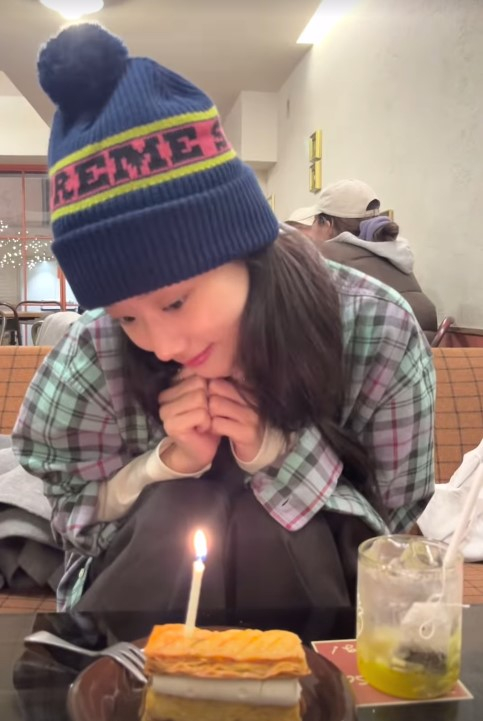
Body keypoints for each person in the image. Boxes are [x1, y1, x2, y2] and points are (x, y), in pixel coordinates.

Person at [12, 24, 435, 613]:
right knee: (176, 508)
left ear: (247, 251)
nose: (162, 345)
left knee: (270, 528)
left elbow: (390, 534)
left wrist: (275, 454)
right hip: (136, 636)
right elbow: (71, 515)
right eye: (129, 317)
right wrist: (158, 467)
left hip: (325, 627)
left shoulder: (375, 329)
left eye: (176, 302)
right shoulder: (95, 349)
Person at [290, 179, 438, 338]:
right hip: (424, 351)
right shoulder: (398, 255)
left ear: (327, 224)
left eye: (314, 221)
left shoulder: (325, 260)